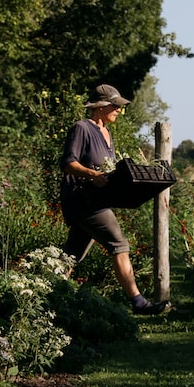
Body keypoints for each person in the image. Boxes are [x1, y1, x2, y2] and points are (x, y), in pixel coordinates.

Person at [61, 84, 154, 311]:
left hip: (97, 199)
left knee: (70, 256)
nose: (119, 110)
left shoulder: (107, 132)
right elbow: (67, 163)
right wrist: (92, 174)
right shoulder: (82, 128)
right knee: (119, 243)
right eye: (115, 106)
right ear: (101, 107)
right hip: (83, 199)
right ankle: (138, 302)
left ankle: (45, 294)